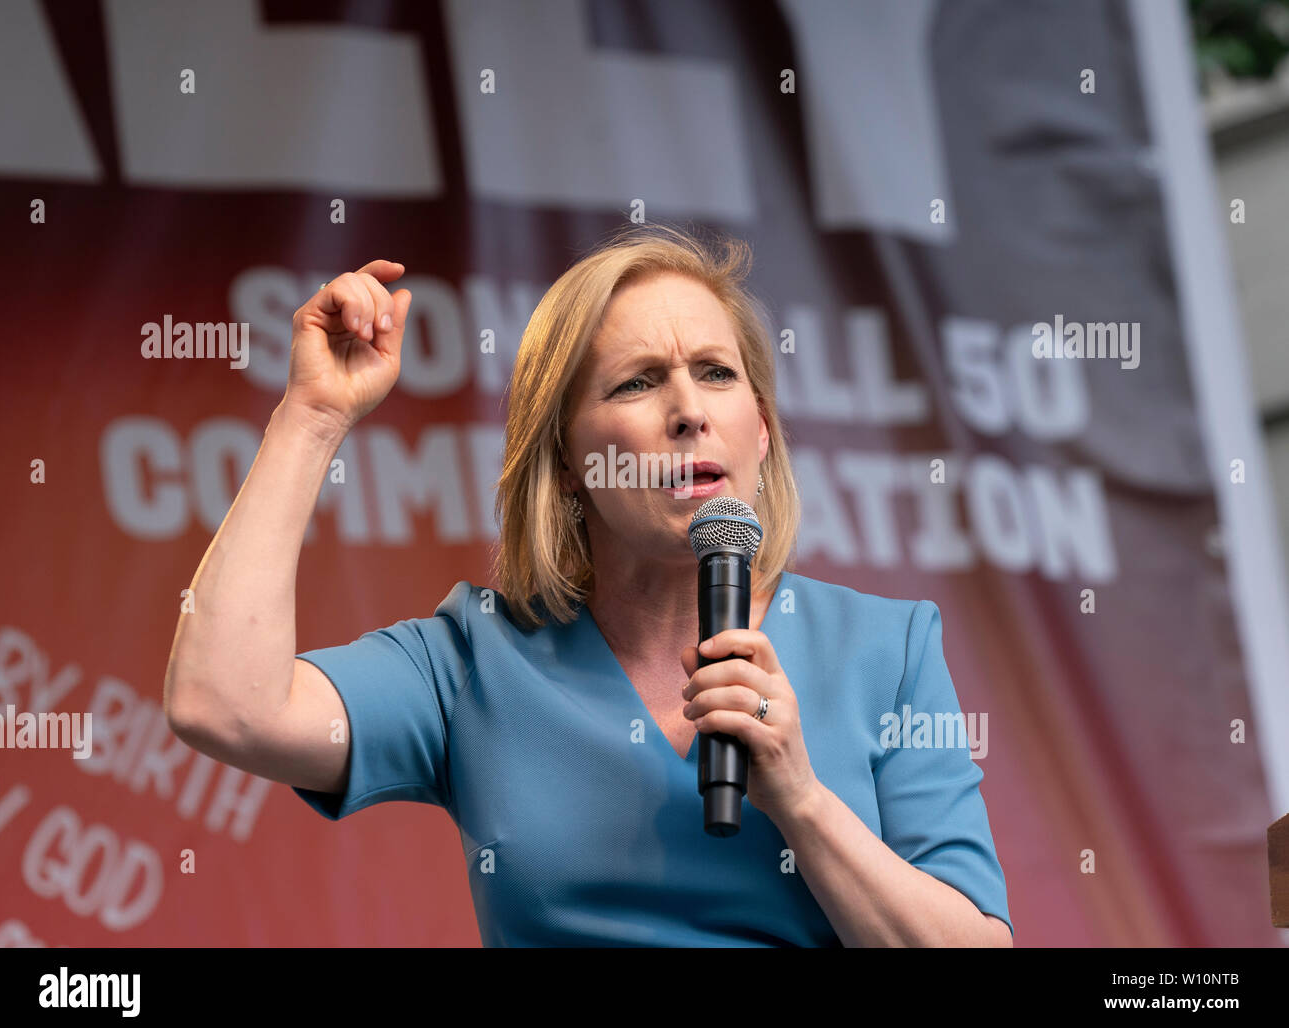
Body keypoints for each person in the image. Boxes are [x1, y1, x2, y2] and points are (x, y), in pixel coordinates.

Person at [163, 223, 1012, 947]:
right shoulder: (475, 659)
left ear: (763, 431)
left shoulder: (886, 649)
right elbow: (222, 701)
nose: (689, 410)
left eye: (716, 372)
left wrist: (802, 801)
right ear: (568, 461)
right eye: (638, 382)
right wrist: (313, 415)